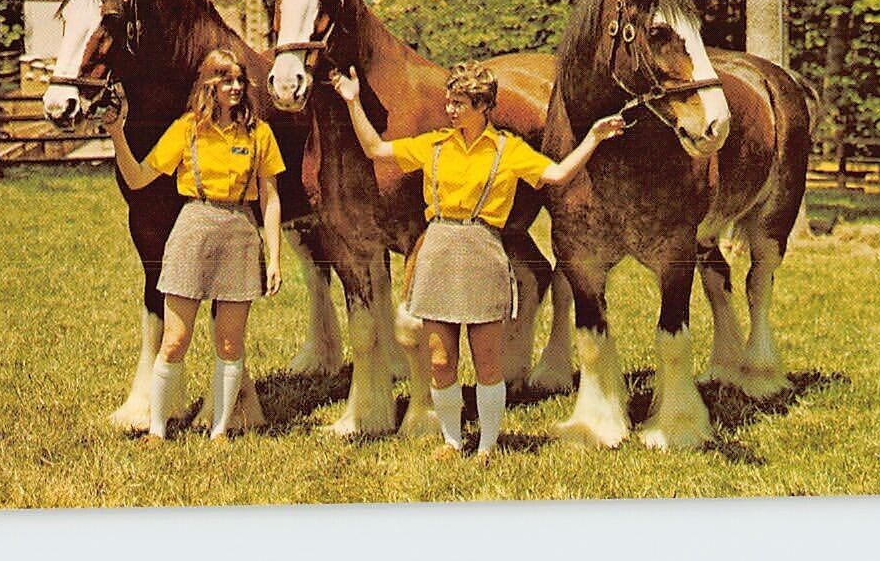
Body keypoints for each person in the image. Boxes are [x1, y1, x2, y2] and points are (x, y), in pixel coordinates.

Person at [331, 60, 625, 462]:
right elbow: (376, 149)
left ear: (483, 105)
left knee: (487, 362)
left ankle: (487, 444)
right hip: (436, 251)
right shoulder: (434, 143)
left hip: (484, 251)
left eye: (459, 103)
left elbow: (557, 175)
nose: (450, 110)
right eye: (449, 101)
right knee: (440, 360)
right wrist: (352, 102)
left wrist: (592, 138)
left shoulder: (508, 151)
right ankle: (452, 441)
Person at [101, 49, 284, 441]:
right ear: (208, 85)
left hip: (240, 231)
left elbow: (270, 198)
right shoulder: (186, 130)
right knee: (175, 340)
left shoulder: (258, 133)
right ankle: (157, 429)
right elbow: (137, 178)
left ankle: (220, 429)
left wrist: (275, 260)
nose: (235, 87)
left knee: (231, 343)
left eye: (239, 80)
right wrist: (117, 133)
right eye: (226, 80)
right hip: (192, 229)